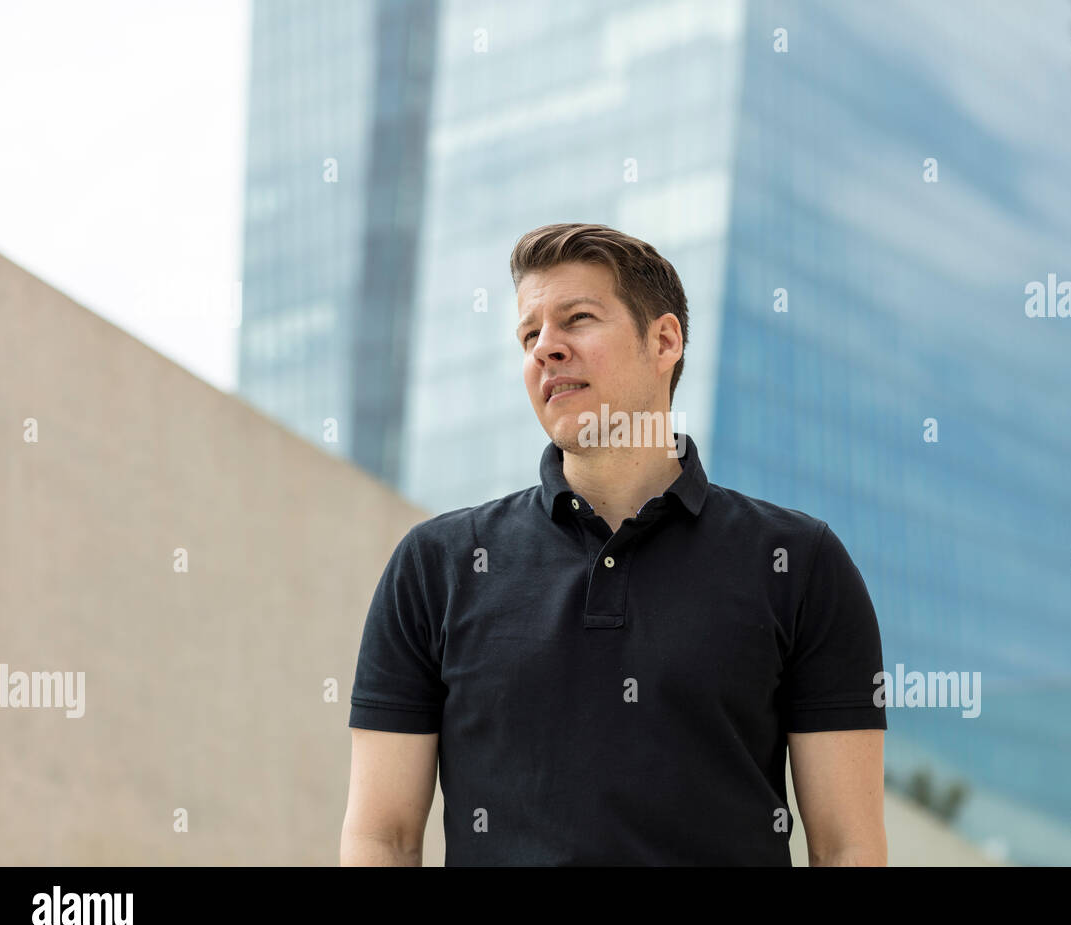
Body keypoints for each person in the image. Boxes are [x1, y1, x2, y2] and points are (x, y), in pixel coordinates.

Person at [340, 223, 887, 866]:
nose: (547, 348)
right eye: (529, 335)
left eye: (577, 318)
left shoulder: (800, 563)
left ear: (664, 341)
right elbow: (384, 837)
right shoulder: (435, 566)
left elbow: (847, 847)